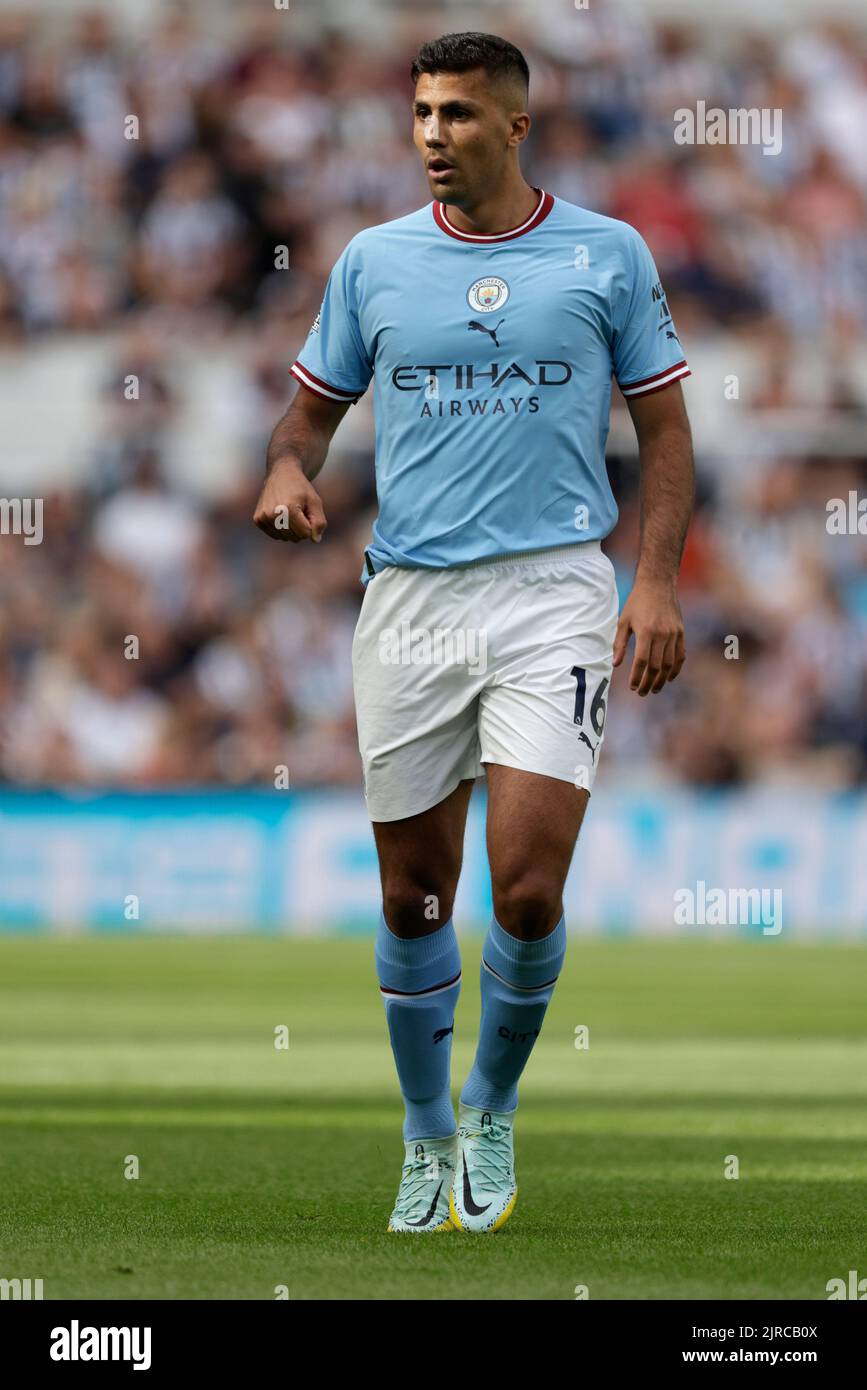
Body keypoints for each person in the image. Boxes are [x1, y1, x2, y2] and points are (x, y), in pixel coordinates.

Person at [254, 31, 694, 1234]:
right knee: (411, 899)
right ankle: (424, 1130)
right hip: (411, 603)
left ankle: (491, 1104)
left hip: (554, 589)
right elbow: (303, 423)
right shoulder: (374, 262)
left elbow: (665, 434)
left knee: (533, 888)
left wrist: (652, 585)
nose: (433, 135)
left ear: (514, 126)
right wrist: (288, 476)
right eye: (422, 113)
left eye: (456, 114)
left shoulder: (606, 254)